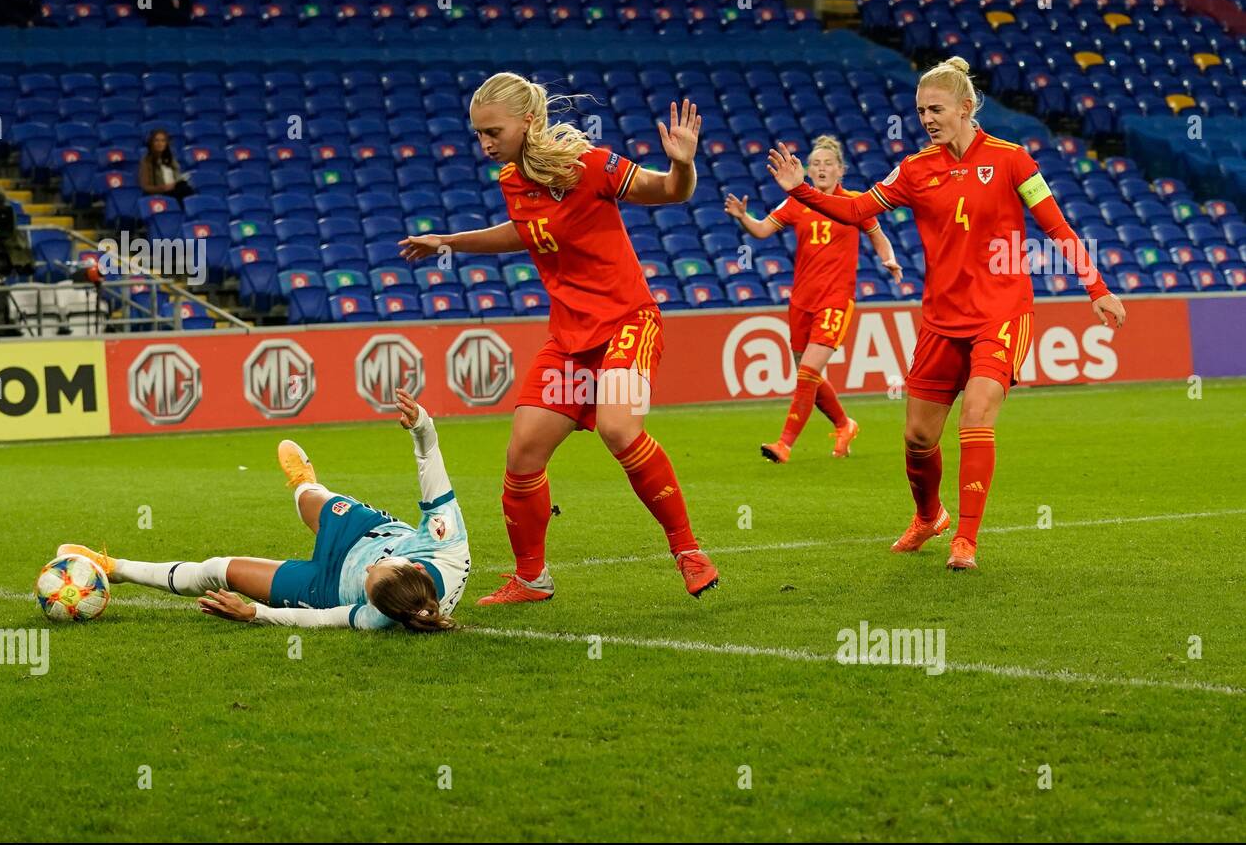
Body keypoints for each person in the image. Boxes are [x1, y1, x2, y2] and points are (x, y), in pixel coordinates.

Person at [767, 56, 1126, 571]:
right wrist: (800, 190)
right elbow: (858, 210)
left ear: (966, 106)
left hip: (1002, 311)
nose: (927, 119)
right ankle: (929, 516)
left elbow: (1057, 227)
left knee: (976, 414)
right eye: (920, 111)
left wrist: (1097, 287)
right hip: (941, 318)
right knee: (918, 437)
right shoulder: (915, 169)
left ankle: (966, 541)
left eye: (935, 109)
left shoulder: (1012, 160)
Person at [399, 72, 719, 605]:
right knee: (523, 453)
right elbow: (526, 233)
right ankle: (531, 579)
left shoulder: (589, 165)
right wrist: (447, 241)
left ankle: (687, 550)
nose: (484, 143)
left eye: (493, 131)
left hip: (628, 323)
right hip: (570, 338)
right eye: (478, 133)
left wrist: (683, 164)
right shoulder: (512, 179)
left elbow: (669, 191)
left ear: (528, 121)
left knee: (619, 428)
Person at [58, 390, 467, 632]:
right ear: (416, 566)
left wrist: (253, 613)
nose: (368, 570)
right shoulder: (446, 543)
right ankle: (304, 482)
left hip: (325, 587)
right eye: (379, 569)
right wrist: (421, 425)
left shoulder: (380, 615)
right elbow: (430, 458)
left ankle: (114, 567)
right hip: (368, 534)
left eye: (369, 581)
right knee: (309, 499)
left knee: (219, 569)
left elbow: (322, 620)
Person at [724, 134, 902, 462]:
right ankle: (844, 424)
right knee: (808, 375)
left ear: (840, 170)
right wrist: (742, 217)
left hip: (836, 300)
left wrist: (888, 259)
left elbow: (878, 236)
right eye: (816, 164)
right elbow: (761, 230)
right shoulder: (797, 202)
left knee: (807, 371)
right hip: (801, 300)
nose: (821, 169)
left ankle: (784, 444)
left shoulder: (854, 202)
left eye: (828, 164)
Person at [138, 128, 195, 202]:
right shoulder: (146, 161)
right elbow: (145, 187)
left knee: (186, 188)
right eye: (156, 140)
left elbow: (176, 177)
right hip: (161, 193)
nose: (160, 143)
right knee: (184, 191)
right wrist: (164, 188)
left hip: (175, 190)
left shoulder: (171, 160)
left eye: (163, 141)